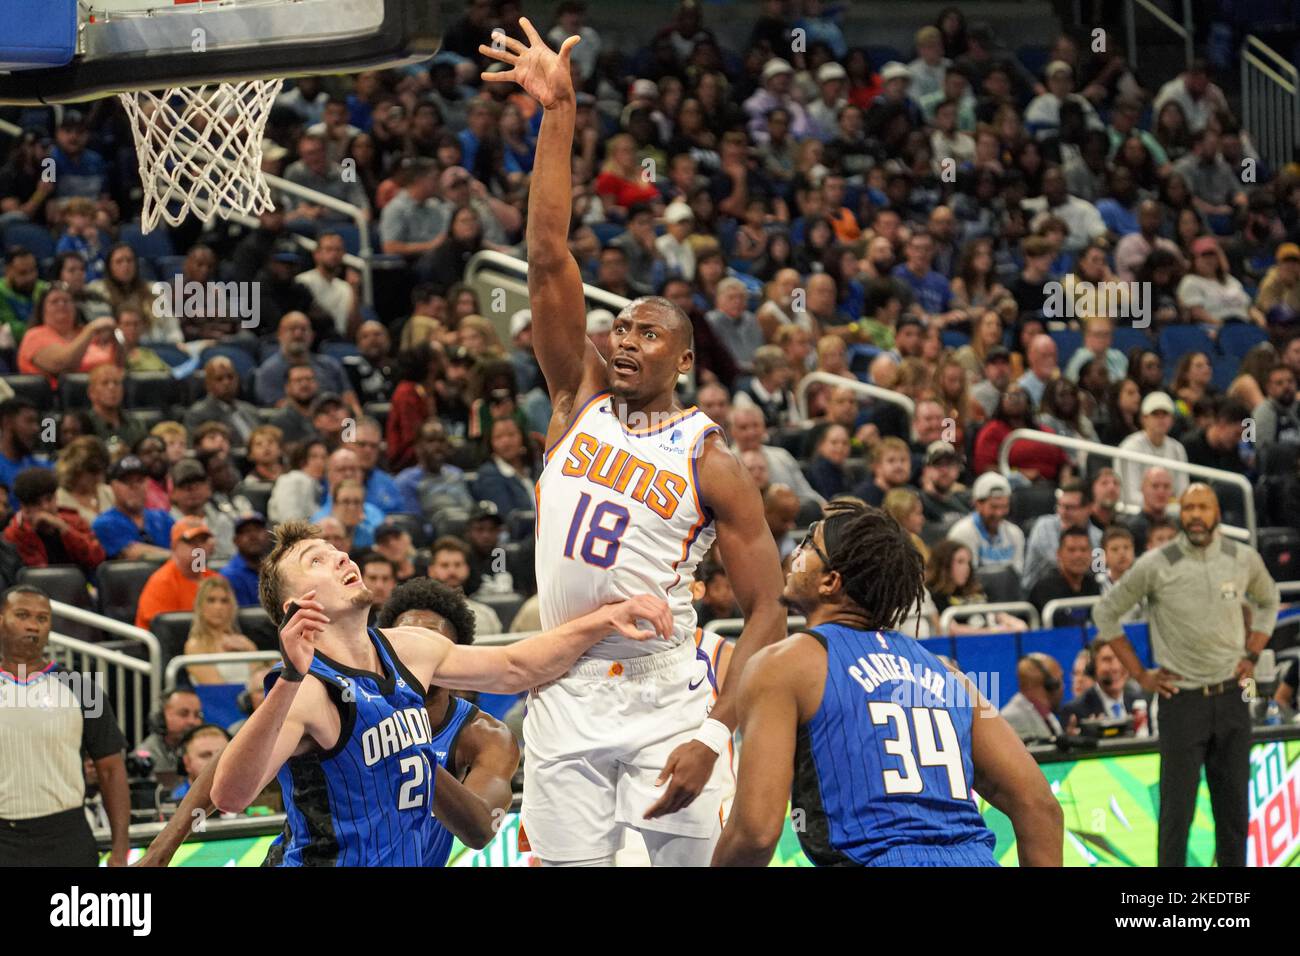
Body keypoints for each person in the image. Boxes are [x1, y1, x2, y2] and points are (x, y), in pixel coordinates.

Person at [483, 23, 787, 867]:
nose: (623, 338)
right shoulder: (576, 399)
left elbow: (766, 609)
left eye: (648, 333)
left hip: (666, 696)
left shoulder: (708, 456)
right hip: (563, 685)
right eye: (619, 326)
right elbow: (546, 255)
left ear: (685, 361)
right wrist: (559, 113)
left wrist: (717, 729)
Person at [205, 520, 670, 865]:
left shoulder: (410, 649)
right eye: (317, 560)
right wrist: (288, 679)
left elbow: (516, 666)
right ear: (296, 606)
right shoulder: (307, 690)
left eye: (337, 551)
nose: (342, 558)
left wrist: (606, 618)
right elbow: (229, 795)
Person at [712, 501, 1062, 866]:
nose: (794, 553)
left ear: (831, 581)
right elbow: (1040, 807)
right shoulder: (950, 675)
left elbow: (755, 833)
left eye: (808, 546)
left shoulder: (782, 665)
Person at [138, 576, 523, 868]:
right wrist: (161, 850)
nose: (415, 652)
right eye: (404, 640)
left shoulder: (485, 736)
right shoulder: (335, 696)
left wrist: (407, 742)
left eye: (428, 642)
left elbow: (478, 829)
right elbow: (229, 764)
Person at [1095, 484, 1279, 866]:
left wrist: (1253, 652)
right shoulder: (1156, 563)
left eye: (1204, 507)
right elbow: (1106, 613)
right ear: (1180, 513)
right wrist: (1141, 676)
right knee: (1177, 815)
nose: (1196, 514)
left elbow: (1269, 599)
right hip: (1181, 701)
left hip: (1232, 697)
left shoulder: (1241, 557)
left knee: (1234, 814)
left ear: (1217, 514)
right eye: (1189, 507)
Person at [0, 584, 130, 866]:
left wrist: (120, 849)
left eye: (42, 618)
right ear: (1, 620)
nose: (32, 626)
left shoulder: (83, 689)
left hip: (68, 837)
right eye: (22, 615)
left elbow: (111, 770)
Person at [3, 467, 104, 575]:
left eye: (49, 499)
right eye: (36, 503)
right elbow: (36, 574)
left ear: (56, 497)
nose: (45, 507)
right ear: (24, 507)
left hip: (80, 587)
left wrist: (65, 530)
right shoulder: (14, 534)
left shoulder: (74, 521)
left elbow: (97, 559)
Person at [135, 516, 219, 630]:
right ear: (175, 546)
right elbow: (164, 633)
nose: (199, 548)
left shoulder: (216, 580)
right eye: (192, 543)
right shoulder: (162, 582)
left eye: (203, 541)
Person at [1022, 479, 1100, 591]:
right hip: (1041, 596)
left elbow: (1099, 571)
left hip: (1079, 596)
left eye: (1070, 508)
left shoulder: (1097, 536)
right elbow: (1064, 564)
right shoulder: (1044, 526)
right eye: (1060, 506)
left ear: (1088, 508)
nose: (1063, 513)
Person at [92, 454, 174, 560]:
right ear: (112, 486)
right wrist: (181, 557)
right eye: (126, 481)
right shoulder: (104, 523)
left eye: (140, 480)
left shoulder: (163, 518)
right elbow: (133, 552)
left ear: (148, 483)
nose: (134, 486)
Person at [1062, 638, 1149, 734]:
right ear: (1093, 667)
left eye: (1121, 659)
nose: (1116, 667)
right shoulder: (1075, 711)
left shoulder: (1142, 702)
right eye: (1107, 660)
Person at [1117, 391, 1188, 507]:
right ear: (1144, 418)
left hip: (1169, 514)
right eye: (1155, 414)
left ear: (1172, 419)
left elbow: (1182, 493)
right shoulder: (1130, 447)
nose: (1161, 419)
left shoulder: (1177, 449)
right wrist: (1160, 504)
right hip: (1135, 514)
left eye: (1165, 414)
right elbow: (1129, 496)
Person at [183, 576, 258, 685]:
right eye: (211, 600)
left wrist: (250, 649)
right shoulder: (194, 646)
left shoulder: (244, 642)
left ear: (231, 606)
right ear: (200, 606)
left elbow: (261, 682)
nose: (218, 607)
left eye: (224, 601)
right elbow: (218, 689)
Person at [947, 471, 1024, 574]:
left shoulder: (1015, 534)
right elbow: (965, 579)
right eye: (994, 507)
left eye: (1004, 506)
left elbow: (1017, 576)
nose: (999, 513)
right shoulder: (962, 533)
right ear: (977, 504)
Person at [1028, 527, 1101, 624]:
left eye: (1083, 550)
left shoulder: (1094, 586)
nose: (1078, 555)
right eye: (1071, 550)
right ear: (1059, 554)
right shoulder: (1044, 589)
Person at [138, 687, 204, 776]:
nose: (192, 721)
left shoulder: (206, 746)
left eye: (197, 715)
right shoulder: (147, 754)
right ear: (161, 718)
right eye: (183, 714)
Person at [1000, 653, 1065, 743]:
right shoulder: (1012, 717)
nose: (1063, 686)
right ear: (1050, 684)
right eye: (1059, 679)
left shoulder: (1047, 716)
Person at [221, 512, 270, 608]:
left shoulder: (279, 569)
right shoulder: (229, 576)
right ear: (235, 540)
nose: (253, 536)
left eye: (257, 530)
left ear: (267, 535)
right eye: (246, 531)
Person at [0, 398, 49, 493]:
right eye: (29, 421)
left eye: (36, 422)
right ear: (7, 422)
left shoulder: (41, 468)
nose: (36, 428)